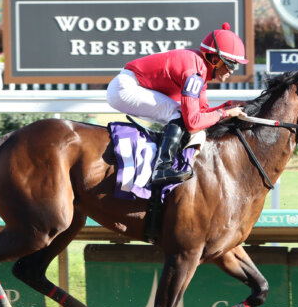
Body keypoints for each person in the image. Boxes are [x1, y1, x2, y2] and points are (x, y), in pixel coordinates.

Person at [106, 22, 248, 187]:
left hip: (129, 85)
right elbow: (193, 122)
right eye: (230, 64)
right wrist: (225, 113)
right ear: (215, 59)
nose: (232, 70)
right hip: (125, 88)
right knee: (178, 114)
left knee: (180, 113)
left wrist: (226, 107)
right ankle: (162, 167)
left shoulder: (199, 68)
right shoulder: (194, 74)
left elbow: (203, 113)